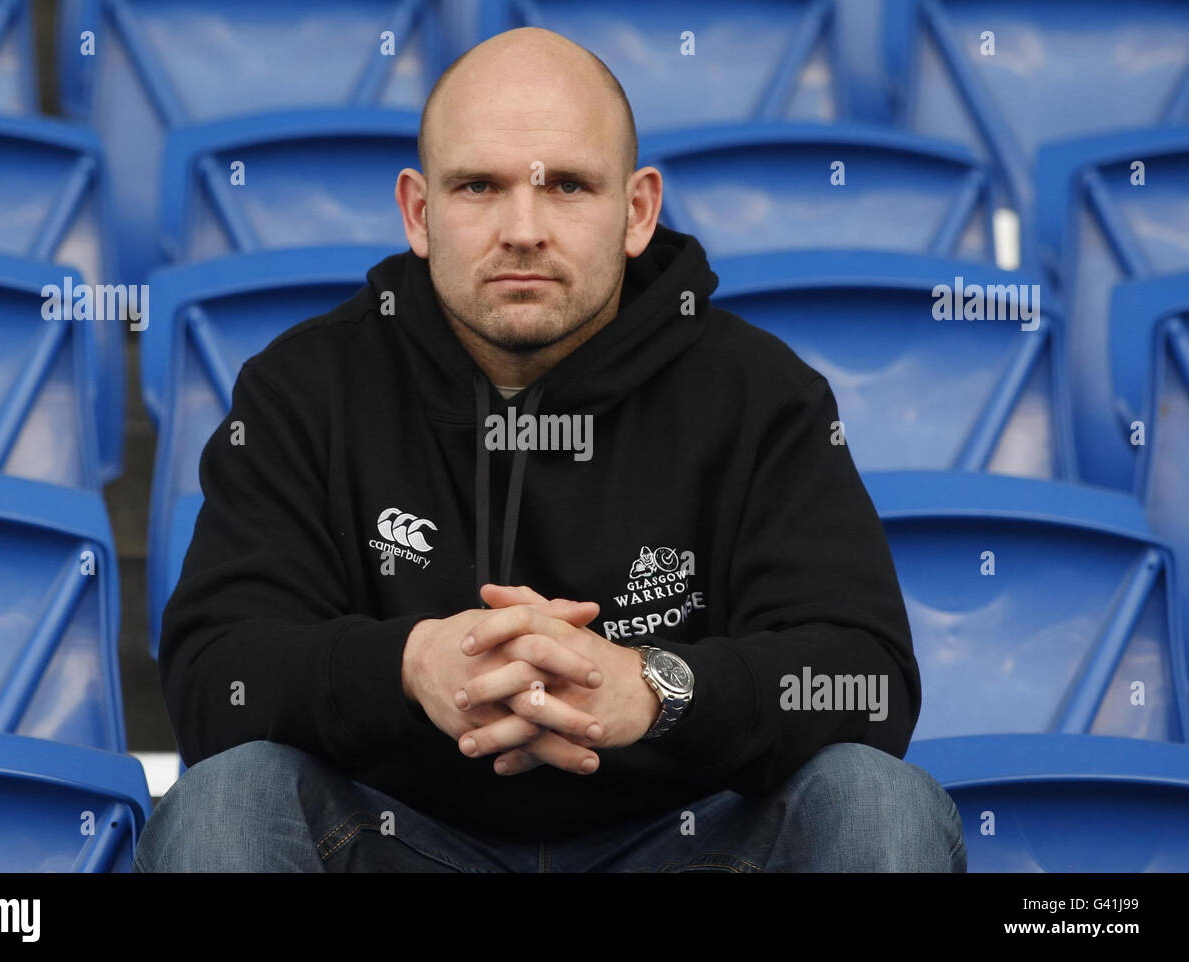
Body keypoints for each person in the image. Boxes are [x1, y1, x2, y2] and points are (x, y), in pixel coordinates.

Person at [133, 27, 966, 873]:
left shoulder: (761, 394)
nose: (522, 229)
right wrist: (411, 667)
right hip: (394, 846)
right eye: (479, 186)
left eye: (567, 185)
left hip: (685, 848)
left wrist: (654, 688)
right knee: (225, 801)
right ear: (419, 212)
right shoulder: (303, 389)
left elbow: (867, 683)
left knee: (878, 803)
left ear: (637, 210)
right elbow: (213, 679)